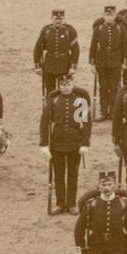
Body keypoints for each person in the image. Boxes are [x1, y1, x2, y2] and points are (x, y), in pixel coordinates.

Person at [39, 71, 92, 212]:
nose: (65, 87)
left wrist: (85, 143)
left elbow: (86, 123)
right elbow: (44, 123)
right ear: (59, 86)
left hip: (75, 142)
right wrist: (44, 144)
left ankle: (71, 203)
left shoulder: (80, 100)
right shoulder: (54, 100)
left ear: (73, 84)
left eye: (68, 84)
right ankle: (60, 203)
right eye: (62, 85)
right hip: (57, 142)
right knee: (59, 174)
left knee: (72, 174)